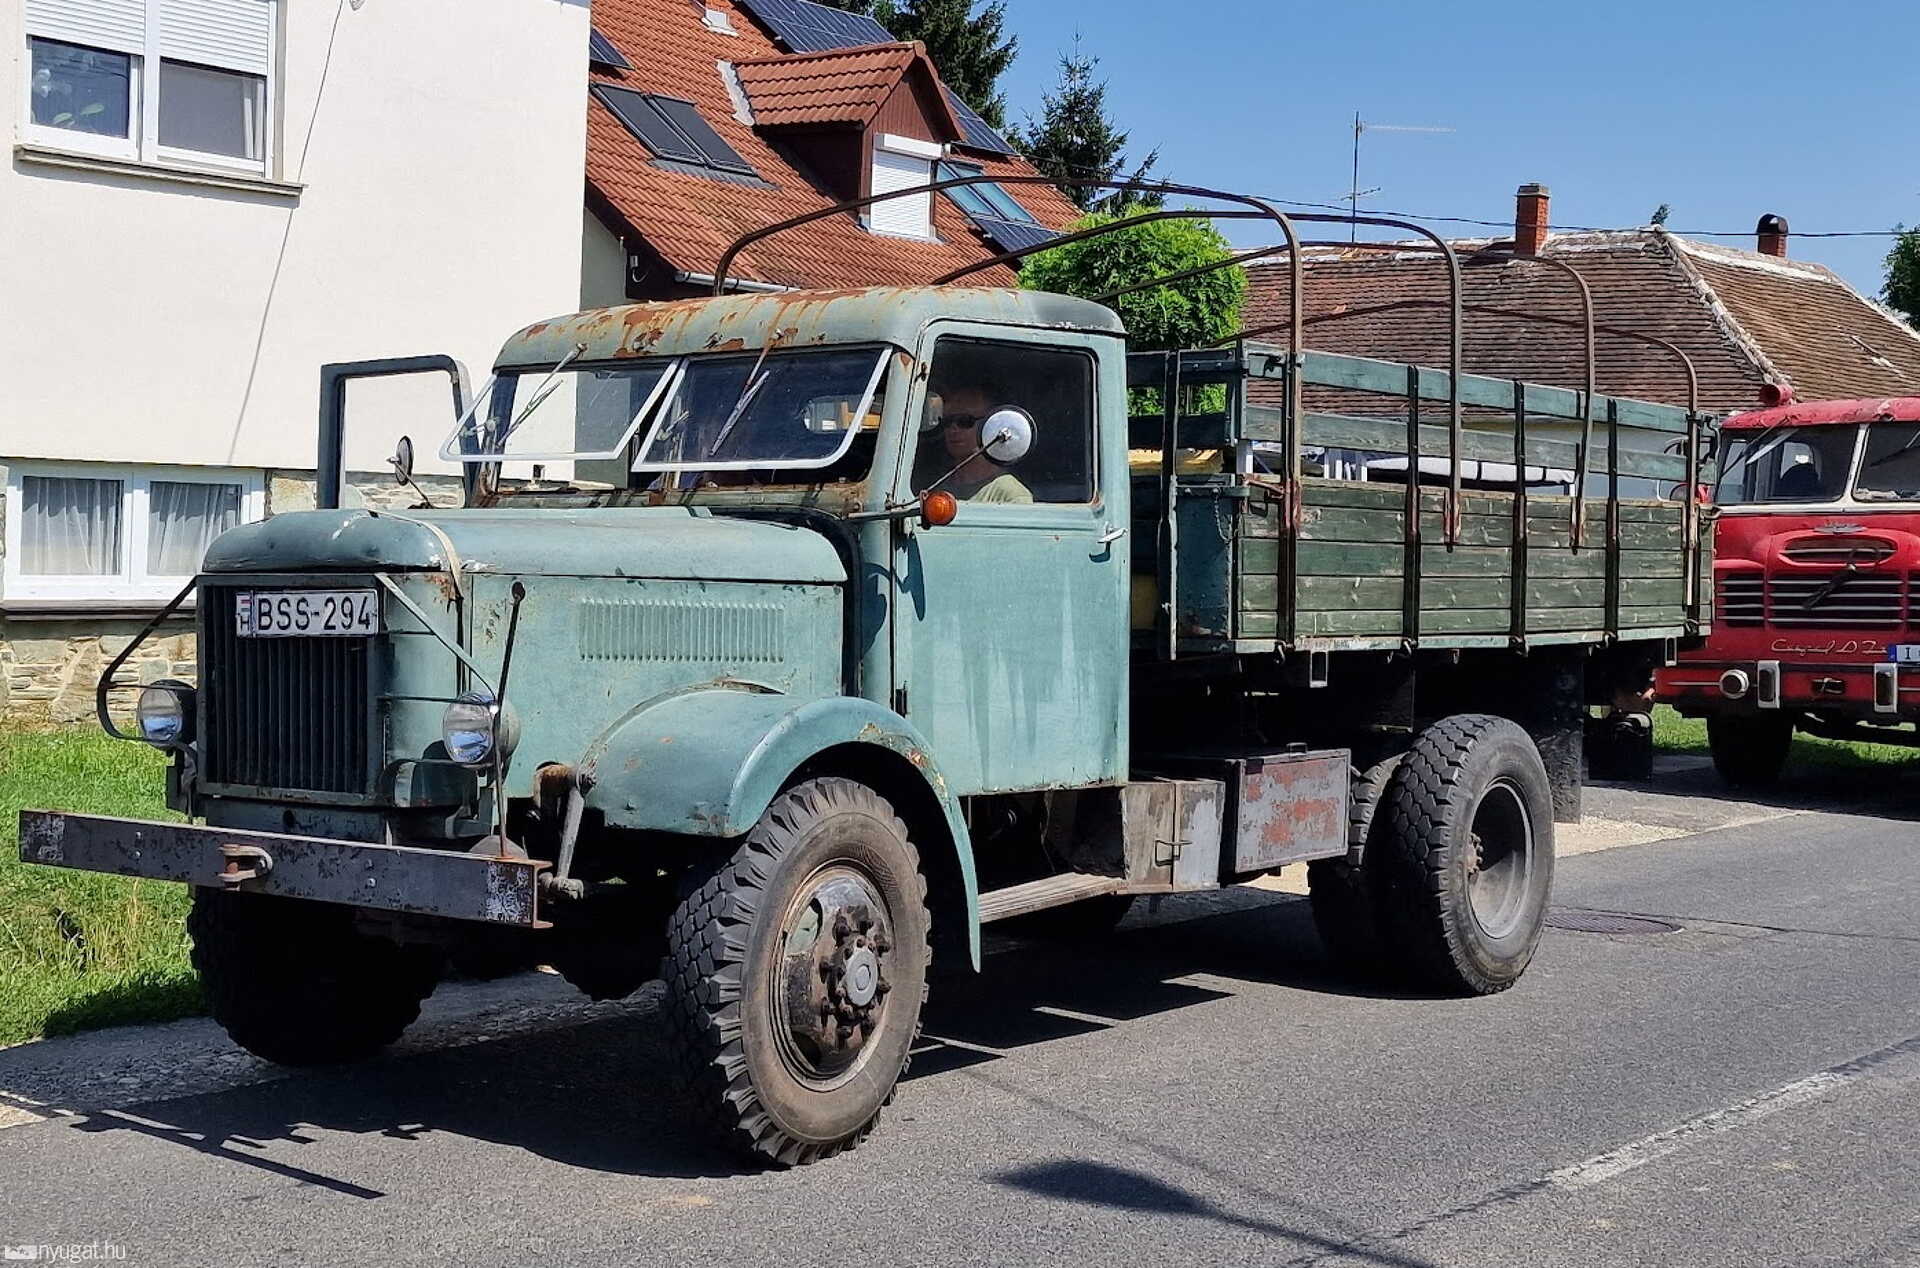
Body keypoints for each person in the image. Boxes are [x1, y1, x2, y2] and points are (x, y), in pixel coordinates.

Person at [925, 386, 1033, 503]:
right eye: (948, 421)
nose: (953, 429)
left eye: (965, 421)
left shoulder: (1010, 494)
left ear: (990, 424)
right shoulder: (936, 489)